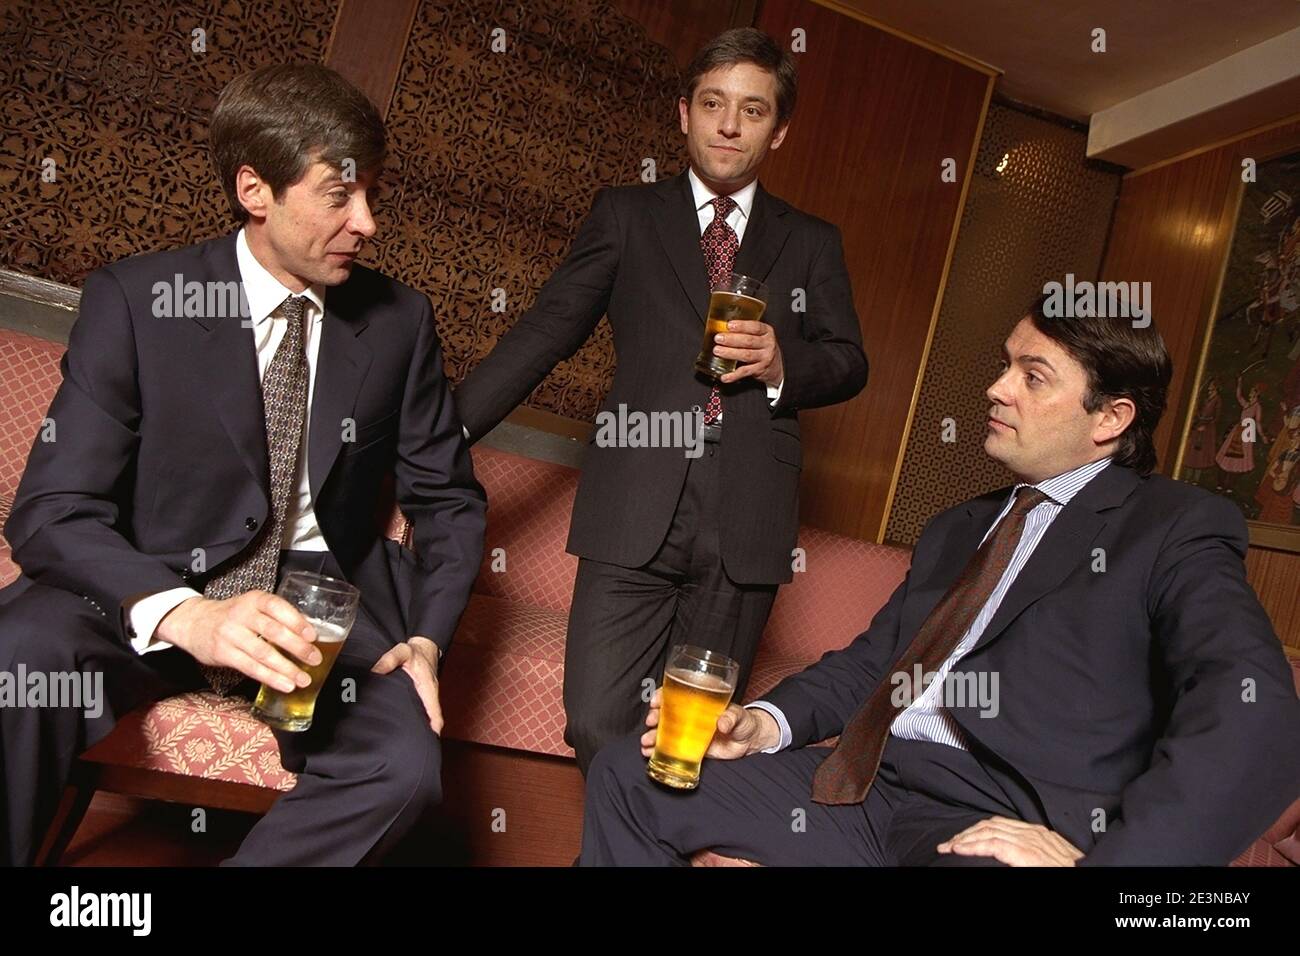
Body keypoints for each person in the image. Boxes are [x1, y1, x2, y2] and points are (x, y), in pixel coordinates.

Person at [579, 298, 1300, 866]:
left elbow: (1254, 707)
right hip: (863, 787)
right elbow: (875, 664)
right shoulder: (959, 526)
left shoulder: (1172, 526)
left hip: (998, 821)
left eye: (1032, 376)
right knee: (630, 775)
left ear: (1111, 418)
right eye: (1005, 364)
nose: (996, 388)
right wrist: (759, 726)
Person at [0, 64, 486, 866]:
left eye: (372, 195)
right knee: (15, 658)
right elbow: (52, 509)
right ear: (256, 190)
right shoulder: (138, 298)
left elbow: (451, 502)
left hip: (321, 607)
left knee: (402, 768)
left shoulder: (400, 321)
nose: (366, 222)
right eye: (339, 195)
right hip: (157, 575)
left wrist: (429, 639)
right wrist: (184, 613)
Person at [453, 28, 868, 774]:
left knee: (689, 743)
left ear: (779, 131)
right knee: (596, 719)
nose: (729, 125)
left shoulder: (811, 242)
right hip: (635, 497)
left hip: (748, 509)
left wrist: (782, 362)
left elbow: (849, 362)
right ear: (684, 113)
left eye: (752, 110)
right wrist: (441, 433)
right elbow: (547, 332)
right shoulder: (625, 215)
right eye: (712, 104)